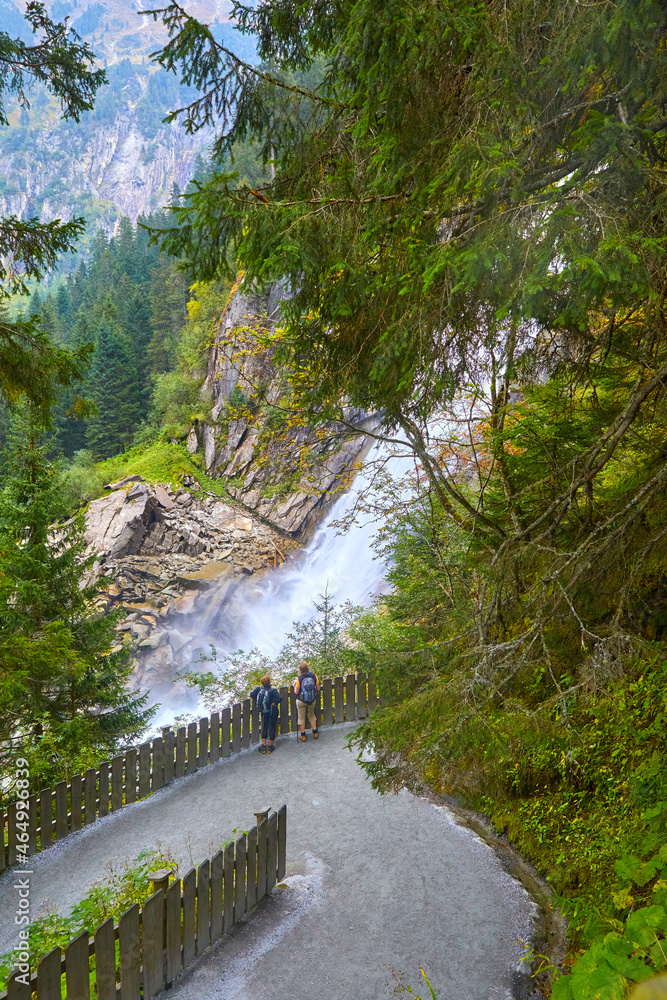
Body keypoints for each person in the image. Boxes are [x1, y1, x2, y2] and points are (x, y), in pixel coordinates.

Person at [250, 675, 283, 753]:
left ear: (262, 683)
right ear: (269, 682)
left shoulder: (259, 689)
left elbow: (252, 695)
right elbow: (280, 698)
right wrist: (275, 702)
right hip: (272, 711)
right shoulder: (273, 691)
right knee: (272, 727)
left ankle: (263, 746)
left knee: (264, 727)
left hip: (264, 712)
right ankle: (270, 746)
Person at [293, 660, 320, 742]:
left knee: (301, 717)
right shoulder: (314, 676)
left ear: (300, 670)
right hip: (311, 699)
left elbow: (296, 692)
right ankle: (315, 733)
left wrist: (294, 685)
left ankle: (303, 735)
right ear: (308, 668)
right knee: (311, 714)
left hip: (301, 700)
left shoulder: (299, 678)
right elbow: (318, 688)